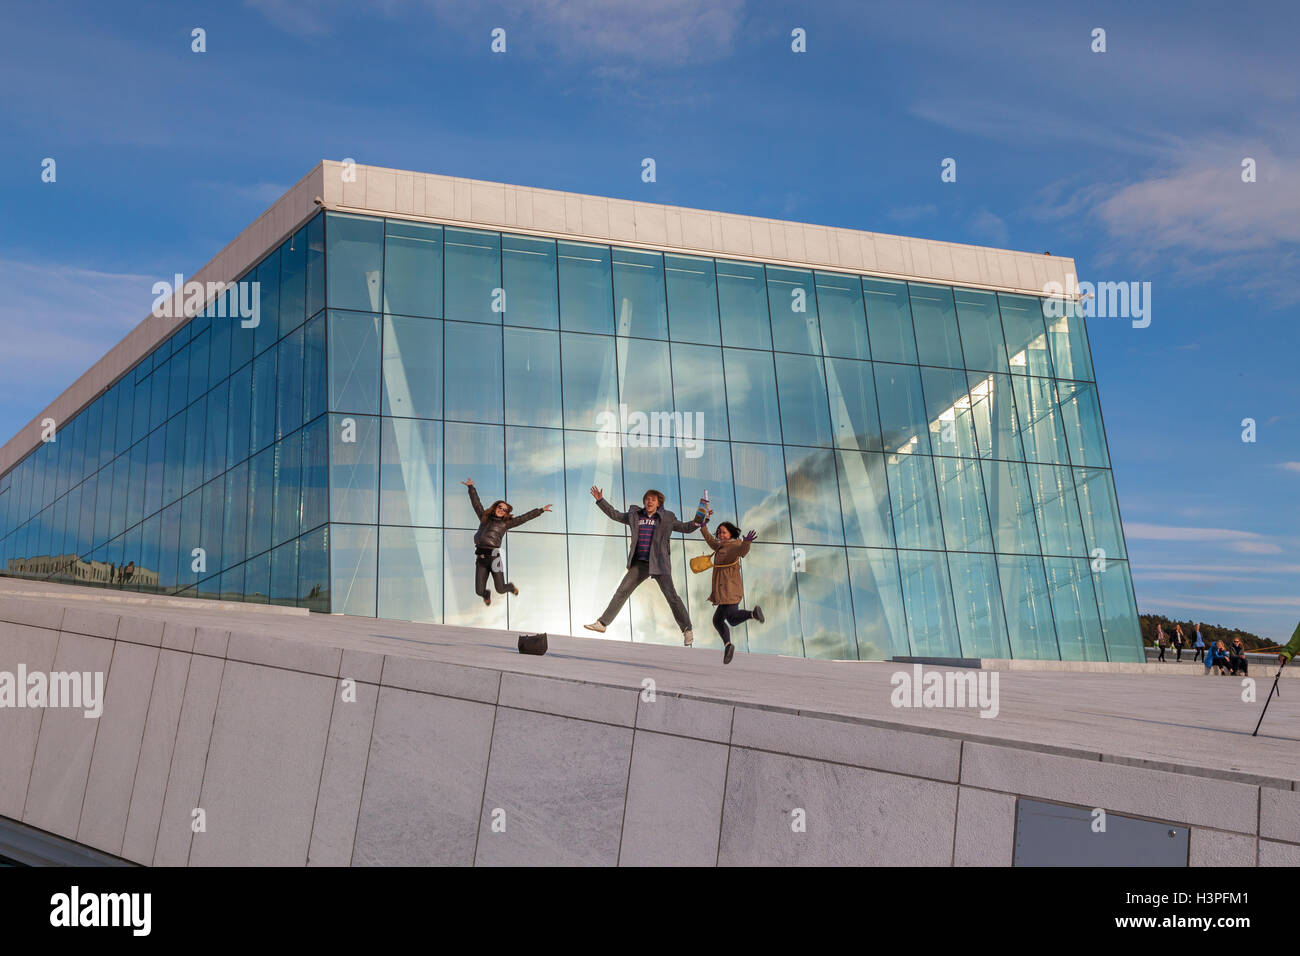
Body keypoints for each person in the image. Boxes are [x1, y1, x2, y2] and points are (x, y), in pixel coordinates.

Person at [584, 486, 706, 645]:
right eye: (647, 499)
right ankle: (602, 623)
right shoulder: (635, 515)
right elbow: (615, 514)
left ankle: (687, 629)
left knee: (672, 597)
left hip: (659, 563)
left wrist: (701, 516)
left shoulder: (667, 518)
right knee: (622, 591)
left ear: (658, 503)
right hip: (640, 563)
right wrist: (601, 500)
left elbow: (687, 528)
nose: (650, 501)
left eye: (653, 500)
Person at [461, 479, 551, 606]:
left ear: (506, 513)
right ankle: (486, 594)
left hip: (494, 558)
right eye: (500, 507)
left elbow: (524, 518)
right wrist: (471, 487)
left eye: (504, 509)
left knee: (500, 589)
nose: (501, 510)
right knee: (479, 591)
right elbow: (476, 504)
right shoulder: (484, 517)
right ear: (495, 507)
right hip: (480, 558)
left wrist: (540, 510)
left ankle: (510, 587)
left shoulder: (506, 523)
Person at [699, 520, 764, 664]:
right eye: (719, 532)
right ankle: (728, 645)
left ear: (731, 533)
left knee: (732, 619)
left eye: (724, 532)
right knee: (718, 620)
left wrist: (746, 543)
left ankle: (753, 614)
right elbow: (711, 541)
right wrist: (703, 527)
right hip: (723, 591)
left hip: (730, 589)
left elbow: (741, 551)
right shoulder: (721, 546)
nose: (720, 534)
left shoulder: (734, 545)